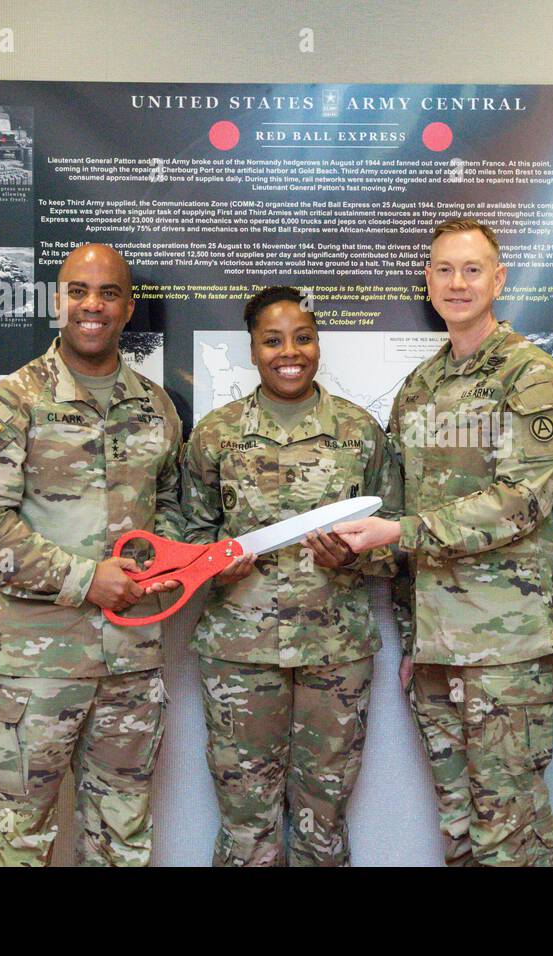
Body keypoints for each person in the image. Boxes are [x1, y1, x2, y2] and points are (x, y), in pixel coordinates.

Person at [335, 218, 553, 866]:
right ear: (429, 282)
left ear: (498, 279)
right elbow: (403, 506)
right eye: (444, 269)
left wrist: (400, 532)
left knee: (510, 829)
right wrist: (414, 633)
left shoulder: (531, 374)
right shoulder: (420, 387)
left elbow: (523, 500)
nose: (458, 282)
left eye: (472, 269)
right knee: (461, 829)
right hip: (437, 647)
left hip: (505, 645)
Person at [0, 243, 184, 866]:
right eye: (78, 290)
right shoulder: (11, 402)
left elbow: (172, 515)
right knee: (19, 840)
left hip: (129, 664)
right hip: (37, 668)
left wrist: (187, 562)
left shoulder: (156, 408)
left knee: (122, 838)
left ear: (128, 308)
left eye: (108, 293)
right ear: (59, 300)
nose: (92, 306)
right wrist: (85, 579)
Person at [179, 286, 402, 866]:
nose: (290, 352)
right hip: (239, 653)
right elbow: (188, 539)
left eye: (303, 337)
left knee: (322, 818)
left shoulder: (361, 433)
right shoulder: (215, 434)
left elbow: (398, 538)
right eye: (272, 340)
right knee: (245, 821)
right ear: (251, 349)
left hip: (335, 651)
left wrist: (353, 558)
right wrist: (217, 562)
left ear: (317, 344)